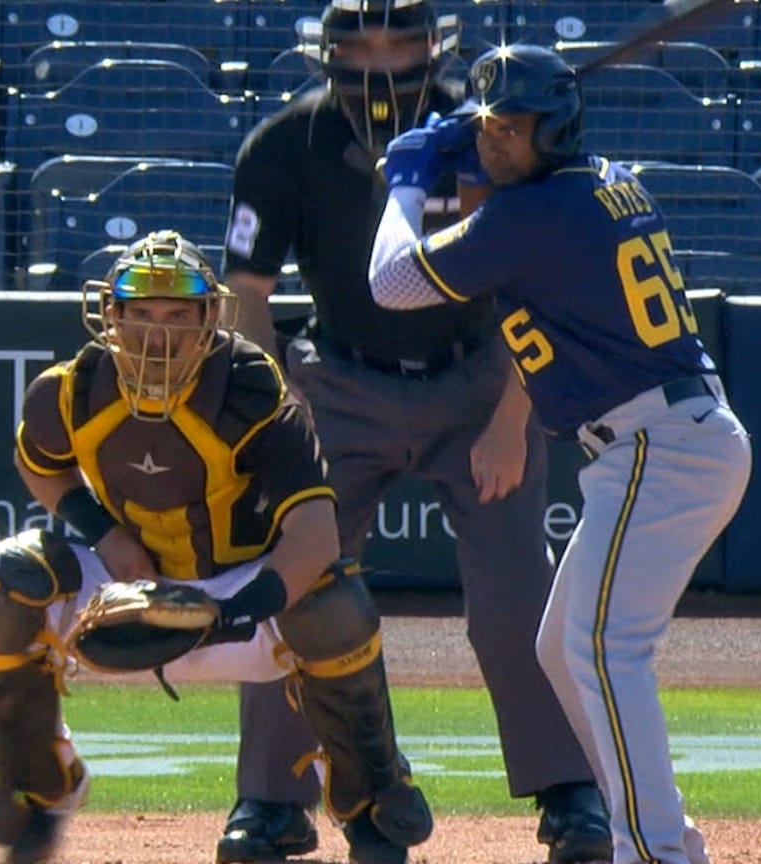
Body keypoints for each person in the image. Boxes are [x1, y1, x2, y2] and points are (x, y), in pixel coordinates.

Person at [218, 2, 610, 863]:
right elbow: (245, 295)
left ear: (435, 47)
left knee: (517, 595)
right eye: (361, 42)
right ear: (329, 52)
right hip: (339, 384)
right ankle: (273, 800)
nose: (381, 58)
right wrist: (283, 413)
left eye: (399, 41)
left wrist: (514, 418)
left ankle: (570, 790)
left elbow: (538, 284)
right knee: (295, 581)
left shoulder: (491, 138)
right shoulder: (283, 146)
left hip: (479, 376)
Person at [366, 45, 754, 864]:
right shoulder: (593, 183)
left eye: (515, 129)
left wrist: (407, 181)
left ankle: (654, 852)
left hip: (659, 443)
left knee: (606, 650)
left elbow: (392, 282)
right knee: (562, 649)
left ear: (559, 130)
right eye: (489, 128)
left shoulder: (536, 214)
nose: (497, 142)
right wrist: (468, 148)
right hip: (663, 437)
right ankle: (653, 835)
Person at [0, 230, 433, 864]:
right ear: (112, 316)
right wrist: (110, 539)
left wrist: (230, 613)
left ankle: (369, 795)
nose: (159, 334)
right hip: (128, 589)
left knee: (333, 602)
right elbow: (39, 465)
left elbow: (315, 536)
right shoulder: (68, 391)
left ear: (210, 319)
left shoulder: (254, 393)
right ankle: (37, 788)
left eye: (178, 315)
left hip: (241, 596)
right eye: (142, 313)